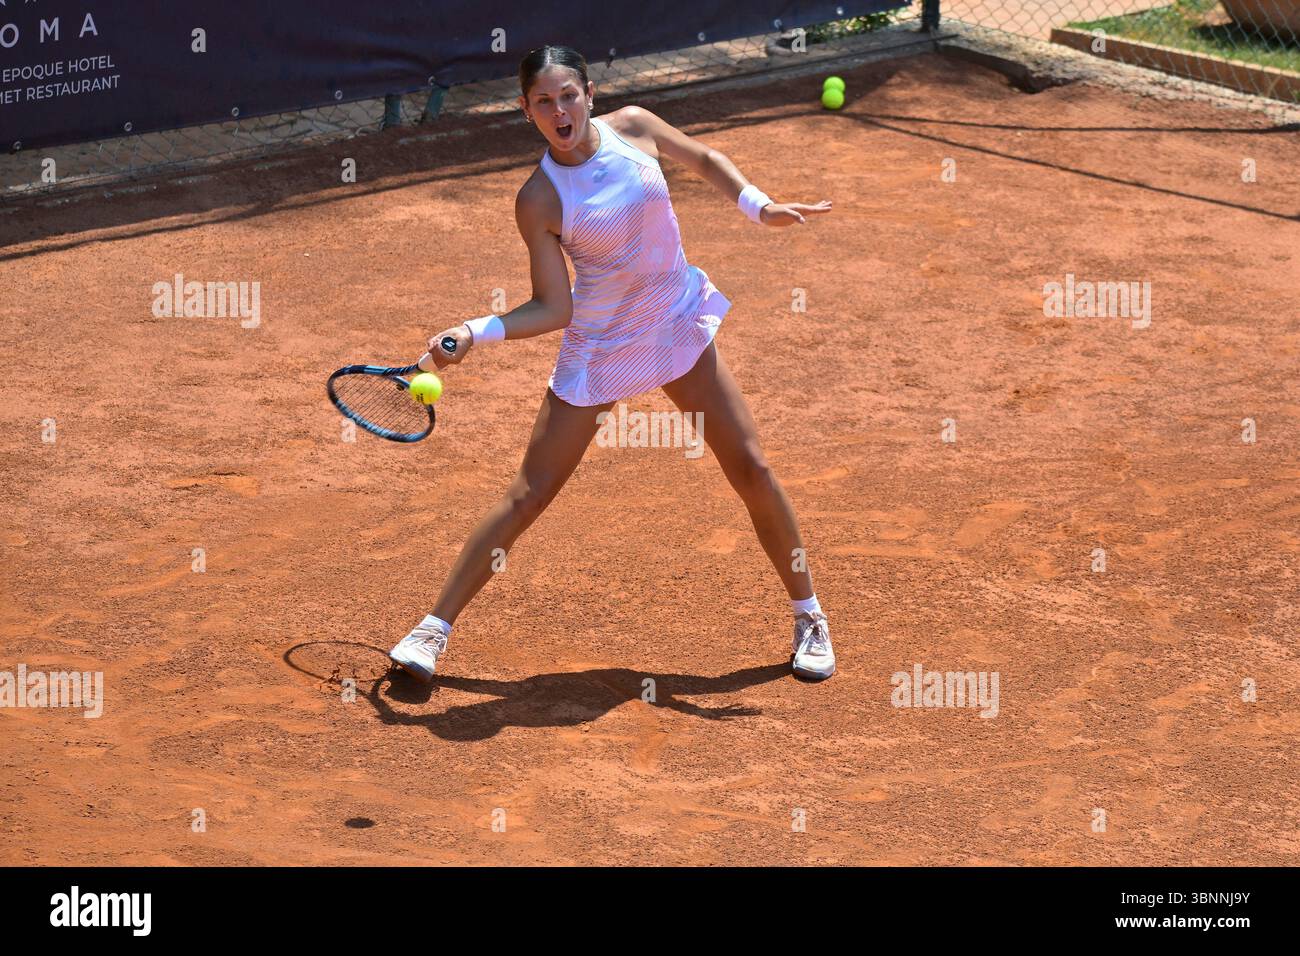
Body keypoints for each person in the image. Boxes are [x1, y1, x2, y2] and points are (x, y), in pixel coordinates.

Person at [390, 44, 836, 683]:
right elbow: (552, 307)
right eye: (543, 101)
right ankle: (431, 633)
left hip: (674, 323)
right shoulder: (540, 198)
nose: (558, 110)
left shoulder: (635, 129)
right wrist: (473, 331)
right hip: (602, 346)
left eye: (567, 94)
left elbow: (706, 159)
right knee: (529, 494)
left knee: (752, 466)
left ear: (589, 93)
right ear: (527, 111)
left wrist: (757, 205)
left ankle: (809, 615)